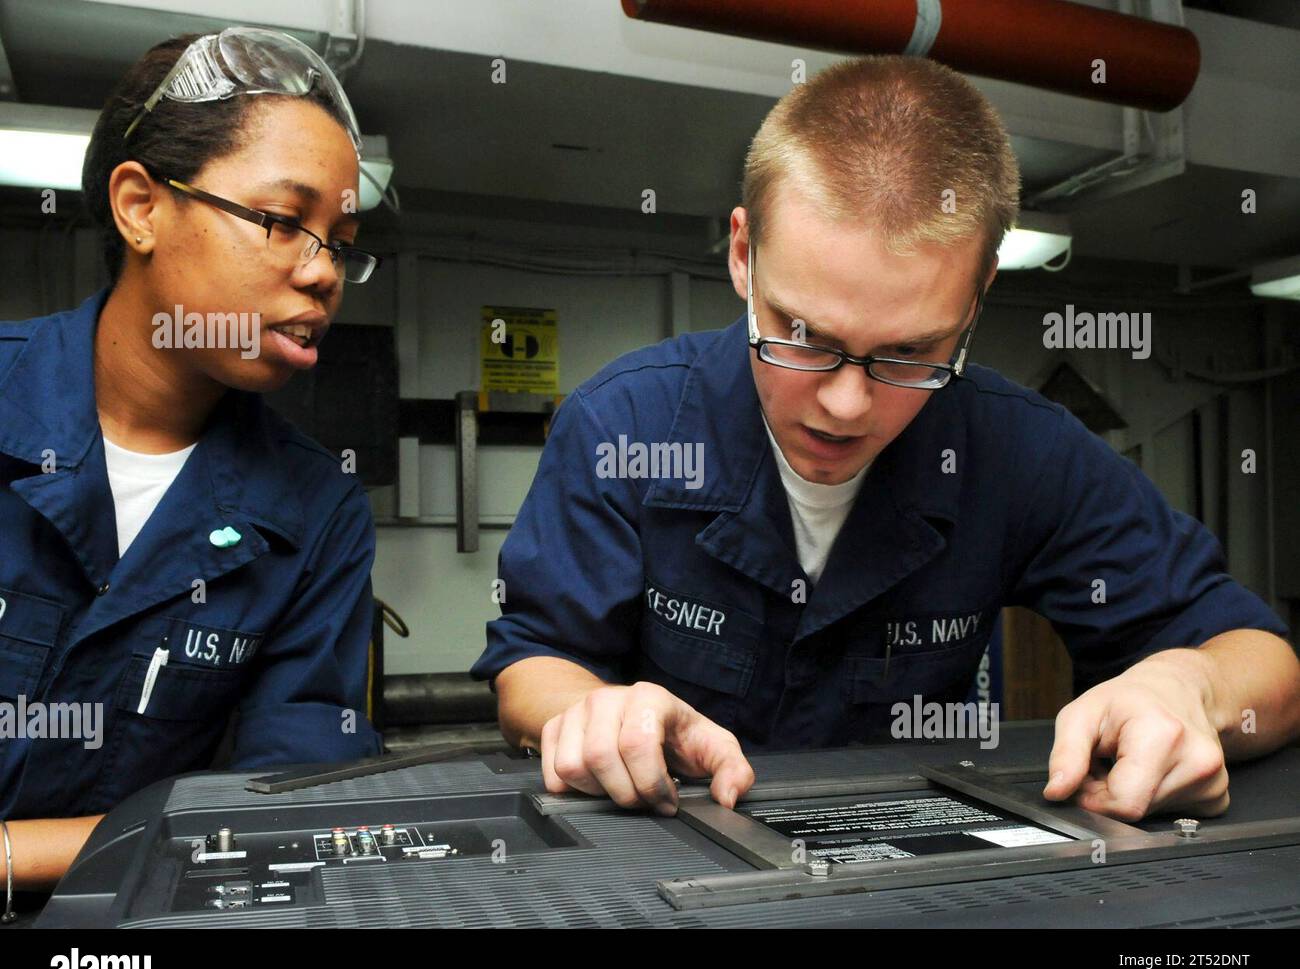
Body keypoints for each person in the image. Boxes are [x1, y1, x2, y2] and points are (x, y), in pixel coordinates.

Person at [472, 55, 1299, 822]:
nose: (844, 403)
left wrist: (1190, 684)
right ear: (741, 256)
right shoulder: (621, 425)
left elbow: (1265, 664)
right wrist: (588, 710)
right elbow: (532, 665)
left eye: (908, 353)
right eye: (801, 334)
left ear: (972, 310)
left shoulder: (1020, 452)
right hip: (669, 865)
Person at [0, 28, 384, 904]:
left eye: (340, 240)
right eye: (285, 223)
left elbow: (287, 803)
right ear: (140, 206)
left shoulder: (315, 513)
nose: (323, 273)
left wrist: (14, 858)